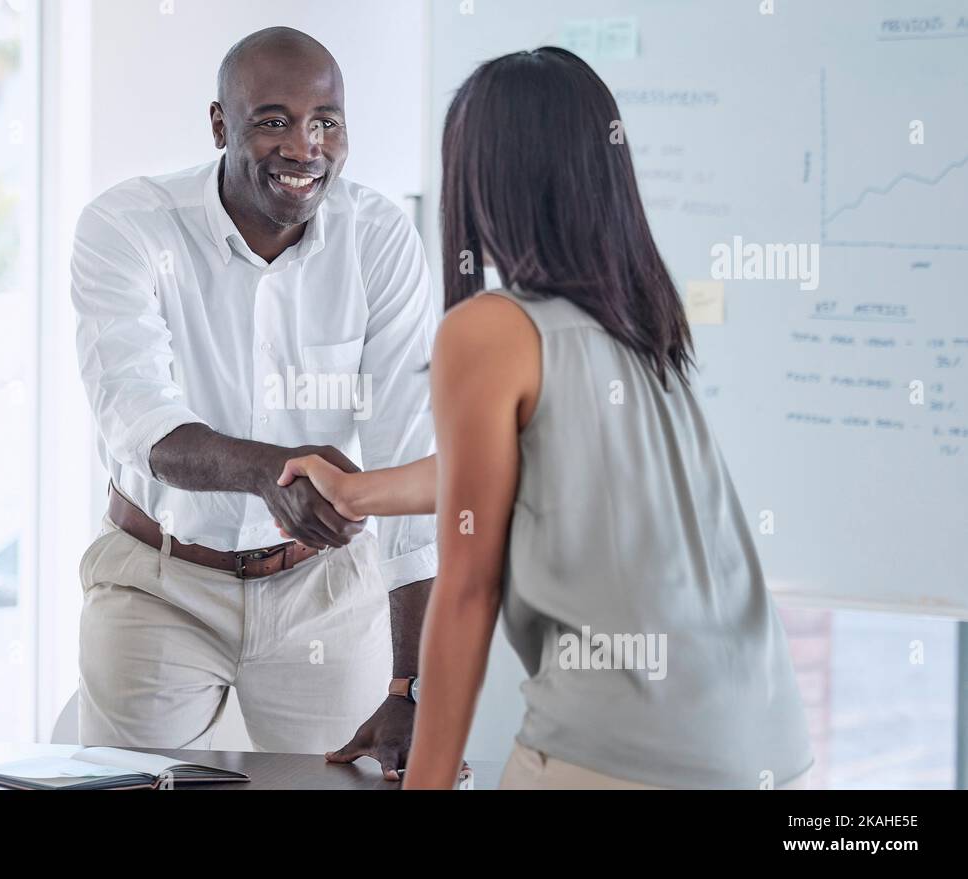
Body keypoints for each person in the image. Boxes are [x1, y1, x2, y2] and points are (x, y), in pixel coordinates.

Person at [279, 47, 814, 789]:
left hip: (618, 754)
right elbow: (500, 465)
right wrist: (358, 492)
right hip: (771, 748)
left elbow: (469, 590)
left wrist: (426, 780)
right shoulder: (638, 322)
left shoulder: (489, 330)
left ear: (483, 177)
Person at [70, 27, 437, 776]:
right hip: (157, 579)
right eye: (273, 120)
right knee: (127, 784)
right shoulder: (126, 226)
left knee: (338, 784)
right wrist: (274, 470)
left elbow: (411, 464)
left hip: (322, 590)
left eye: (326, 121)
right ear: (219, 126)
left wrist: (411, 683)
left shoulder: (379, 239)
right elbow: (145, 426)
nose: (305, 147)